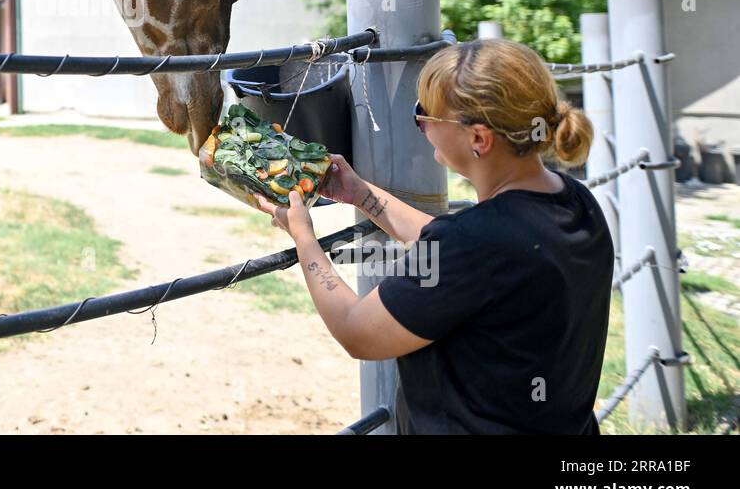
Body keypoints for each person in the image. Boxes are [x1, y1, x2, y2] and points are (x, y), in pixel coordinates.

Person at [205, 38, 615, 434]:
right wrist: (361, 195)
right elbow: (463, 255)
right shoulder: (575, 203)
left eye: (427, 114)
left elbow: (356, 331)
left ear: (478, 139)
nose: (419, 123)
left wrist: (305, 239)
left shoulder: (473, 244)